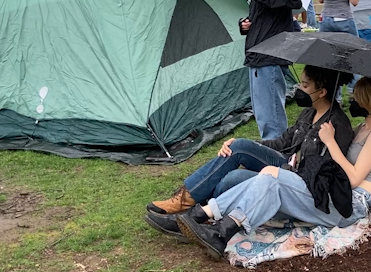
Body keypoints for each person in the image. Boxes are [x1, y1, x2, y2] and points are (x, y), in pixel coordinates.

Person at [152, 77, 371, 260]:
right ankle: (196, 218)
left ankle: (215, 230)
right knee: (267, 176)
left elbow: (354, 178)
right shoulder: (363, 129)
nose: (352, 100)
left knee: (271, 177)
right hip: (336, 194)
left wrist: (330, 142)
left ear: (370, 102)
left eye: (357, 97)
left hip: (350, 205)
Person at [145, 66, 354, 228]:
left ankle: (190, 209)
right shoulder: (308, 113)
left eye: (305, 85)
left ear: (322, 91)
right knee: (235, 161)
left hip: (298, 181)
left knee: (235, 167)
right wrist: (249, 146)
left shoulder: (337, 125)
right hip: (284, 165)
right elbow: (282, 143)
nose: (299, 89)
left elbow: (331, 172)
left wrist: (329, 141)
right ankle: (190, 210)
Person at [237, 0, 302, 140]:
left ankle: (277, 163)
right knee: (264, 115)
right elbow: (264, 10)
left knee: (271, 119)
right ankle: (273, 158)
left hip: (270, 55)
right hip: (258, 51)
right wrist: (246, 24)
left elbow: (293, 0)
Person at [315, 0, 360, 103]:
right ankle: (354, 94)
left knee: (330, 60)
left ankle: (335, 98)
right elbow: (354, 1)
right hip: (345, 20)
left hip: (326, 20)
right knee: (354, 57)